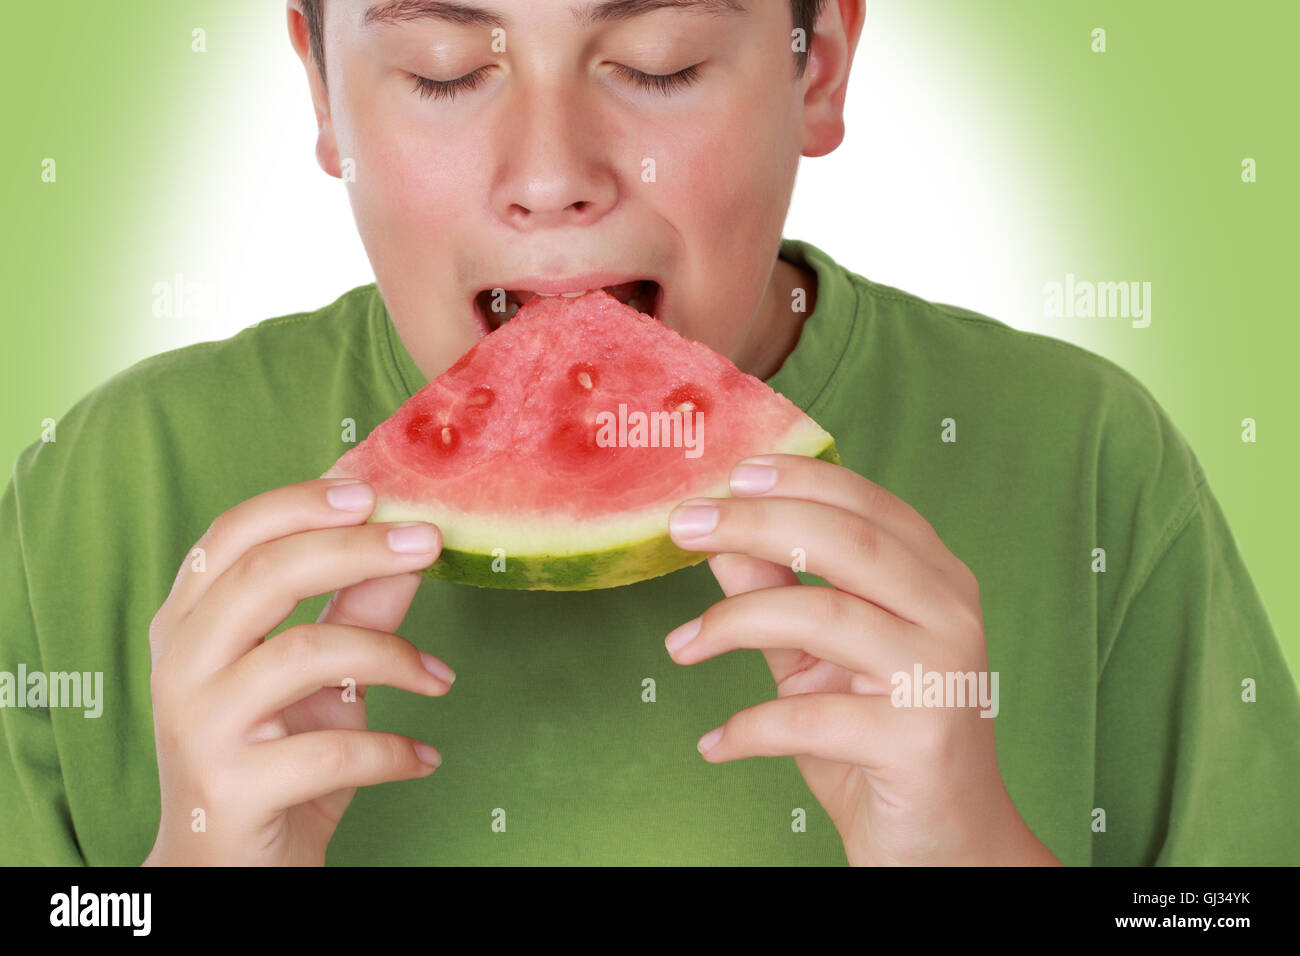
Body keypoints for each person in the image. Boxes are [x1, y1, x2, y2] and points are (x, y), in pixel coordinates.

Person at [1, 0, 1296, 866]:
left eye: (660, 60)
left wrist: (972, 849)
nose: (553, 168)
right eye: (446, 70)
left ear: (819, 66)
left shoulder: (1085, 461)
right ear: (324, 94)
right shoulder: (105, 495)